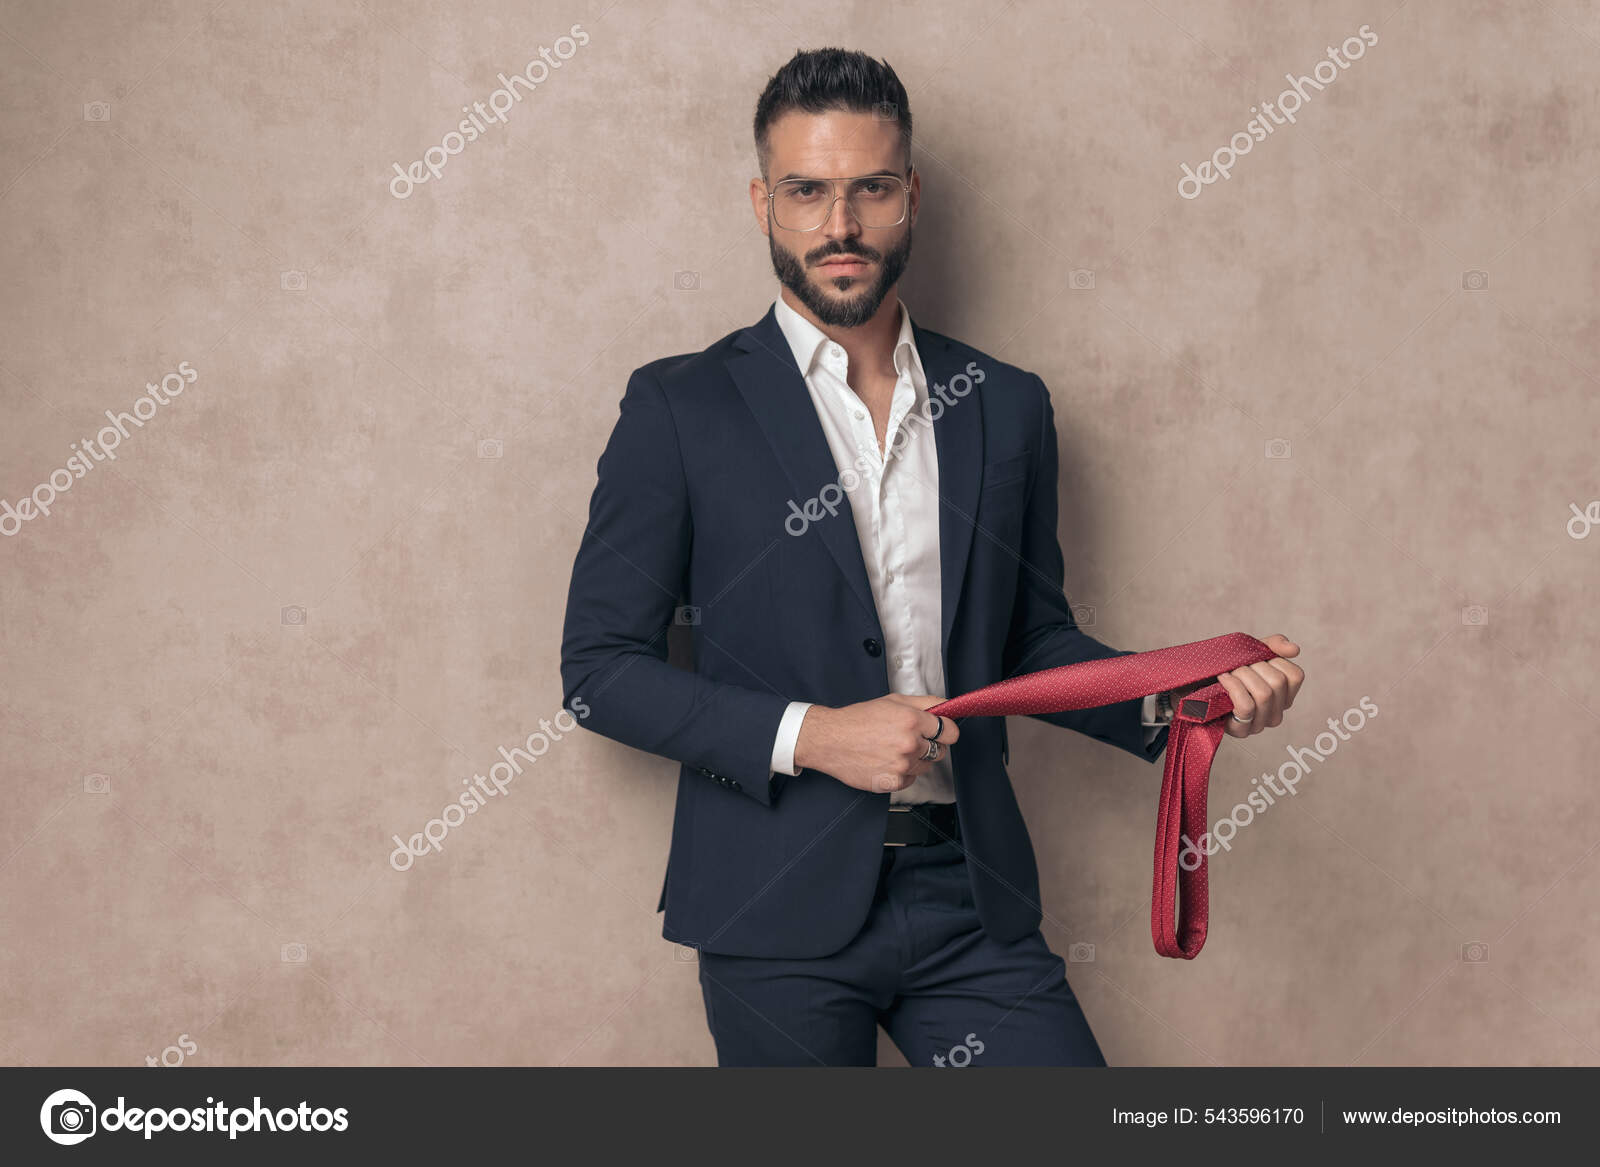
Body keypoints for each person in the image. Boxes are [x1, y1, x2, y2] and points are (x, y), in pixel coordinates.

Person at [559, 47, 1304, 1066]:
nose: (840, 225)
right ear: (760, 201)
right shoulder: (680, 409)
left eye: (869, 189)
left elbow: (1029, 642)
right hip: (768, 912)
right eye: (806, 191)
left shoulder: (1005, 403)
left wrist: (1174, 701)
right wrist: (816, 736)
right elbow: (601, 672)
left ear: (908, 195)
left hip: (971, 904)